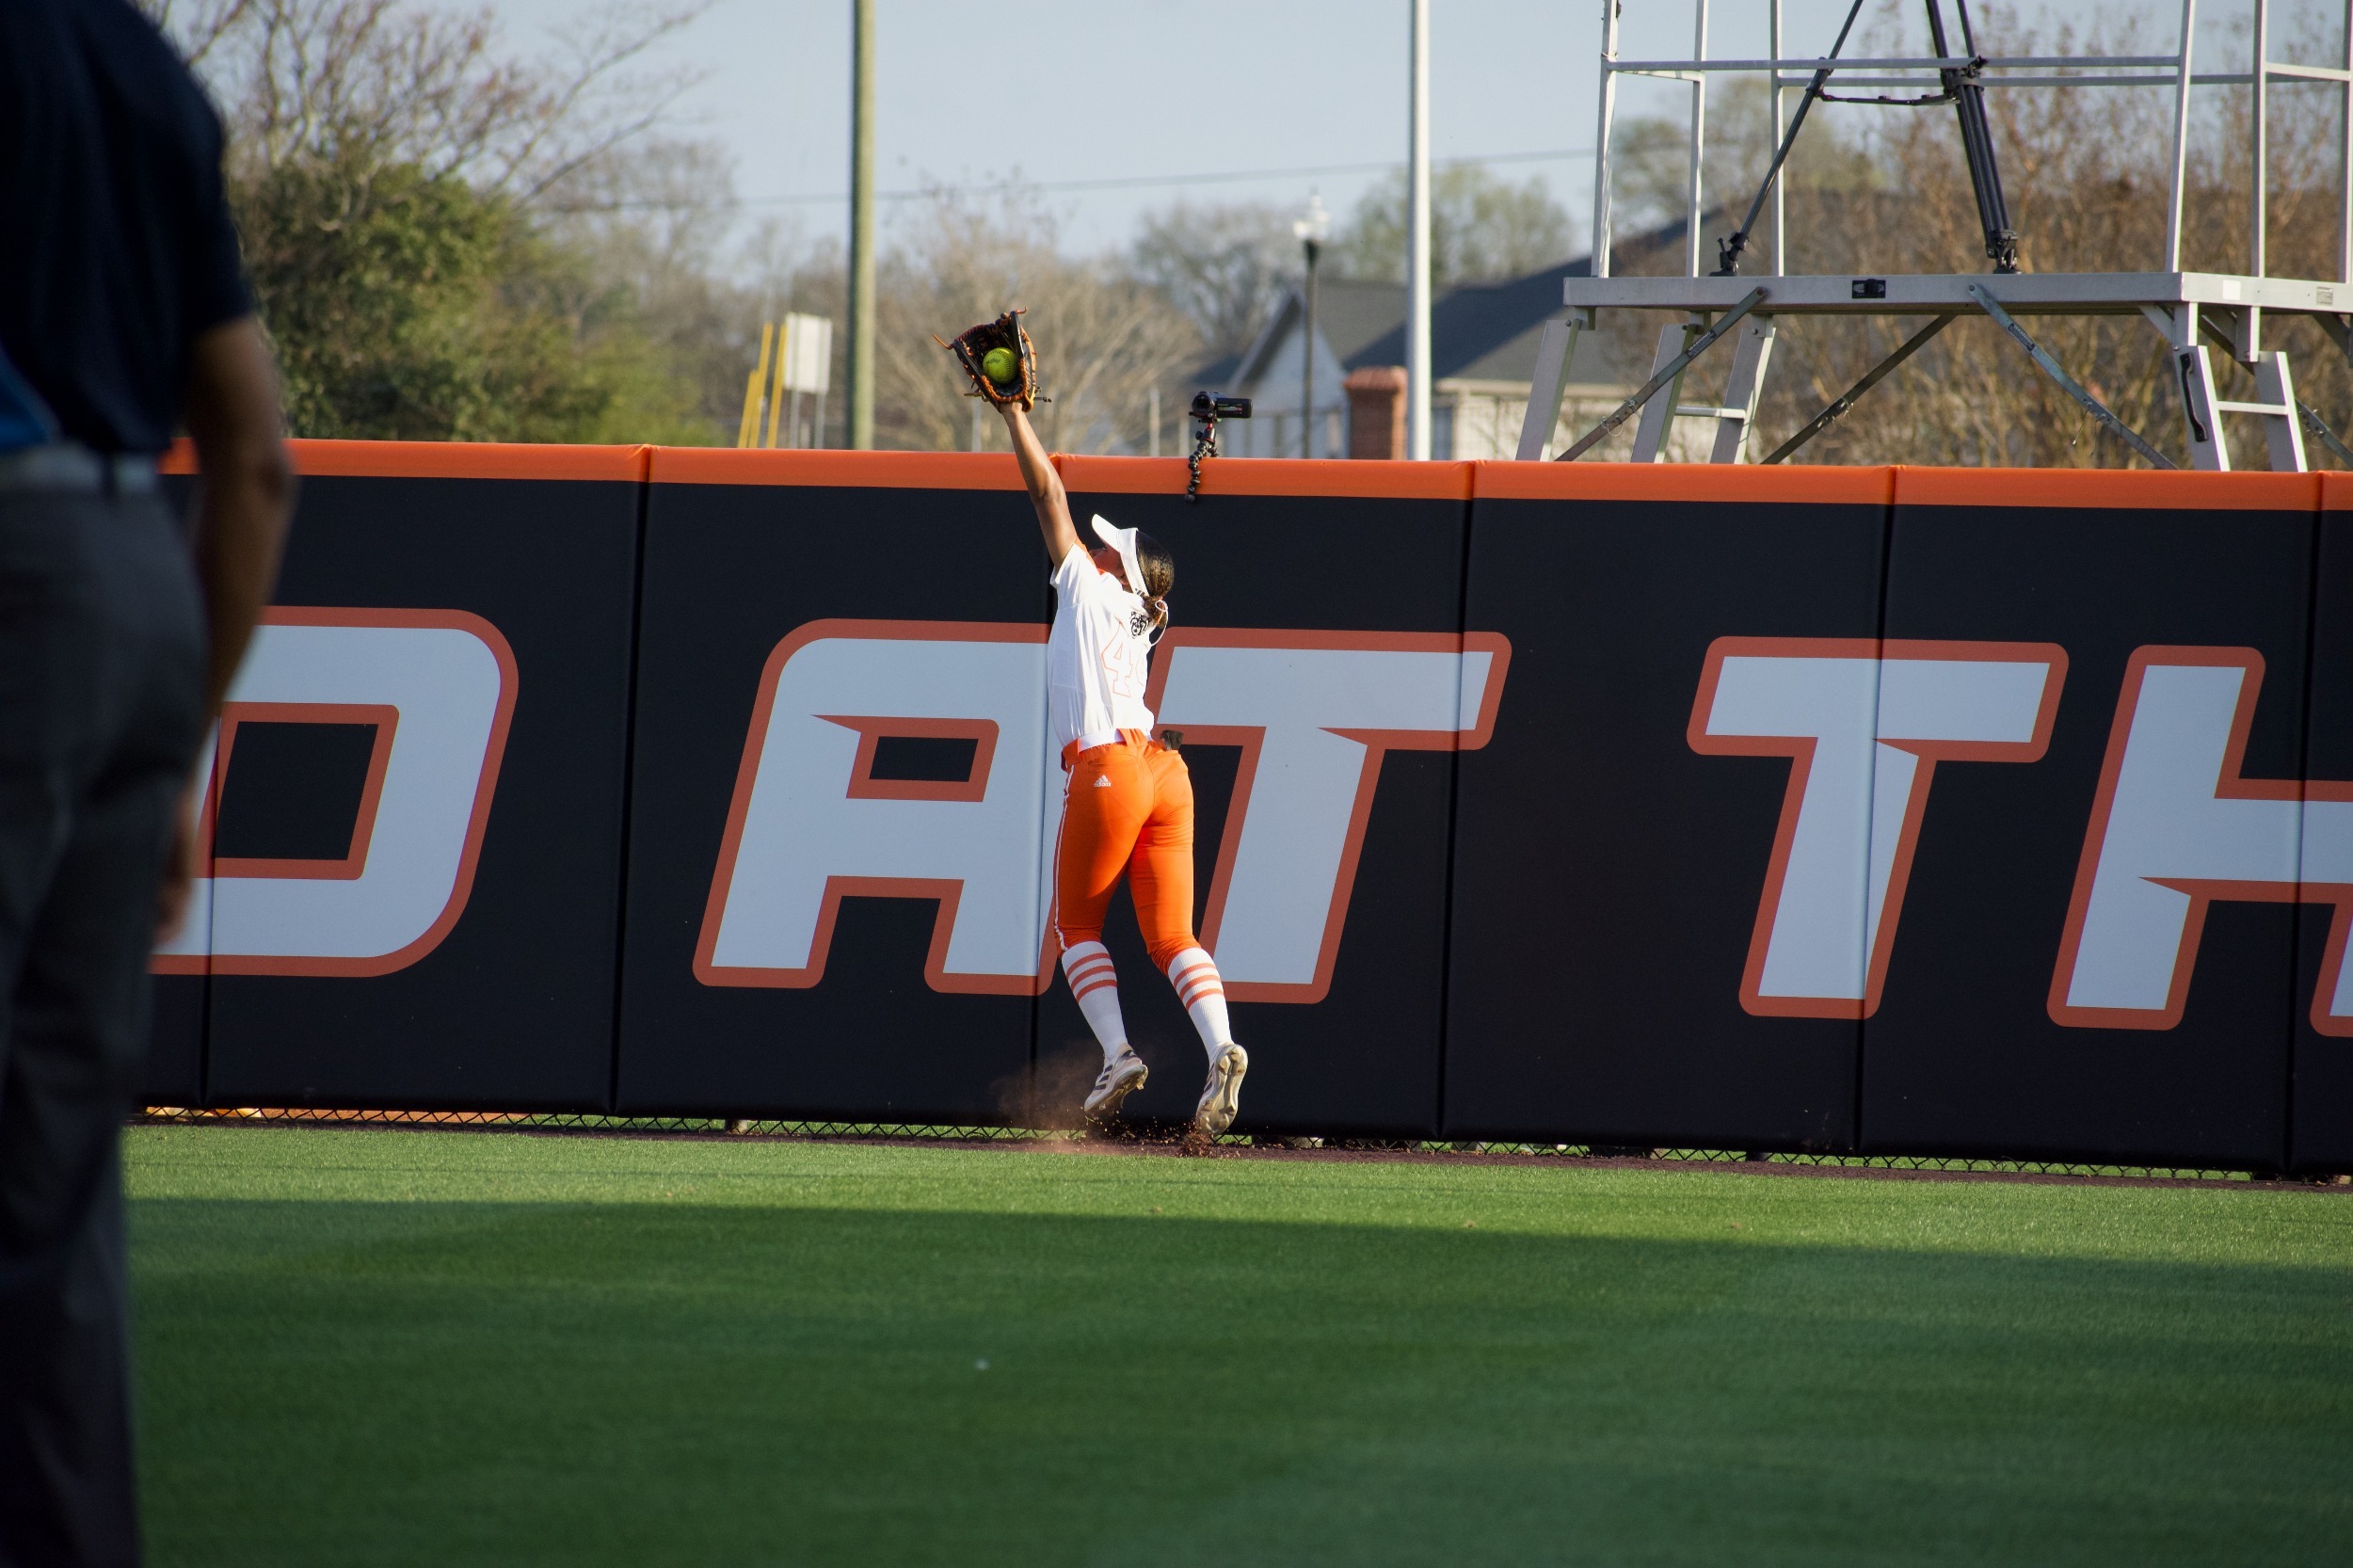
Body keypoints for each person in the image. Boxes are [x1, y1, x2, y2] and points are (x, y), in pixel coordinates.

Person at [1, 1, 295, 1560]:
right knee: (52, 1183)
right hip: (135, 587)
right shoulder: (140, 66)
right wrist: (175, 744)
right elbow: (253, 456)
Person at [995, 396, 1248, 1136]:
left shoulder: (1090, 590)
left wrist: (1013, 416)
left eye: (1109, 550)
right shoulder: (1149, 615)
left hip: (1110, 765)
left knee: (1075, 926)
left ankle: (1116, 1054)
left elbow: (1047, 494)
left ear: (1120, 572)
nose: (1094, 550)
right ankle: (1221, 1046)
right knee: (1174, 937)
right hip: (1167, 771)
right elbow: (1152, 597)